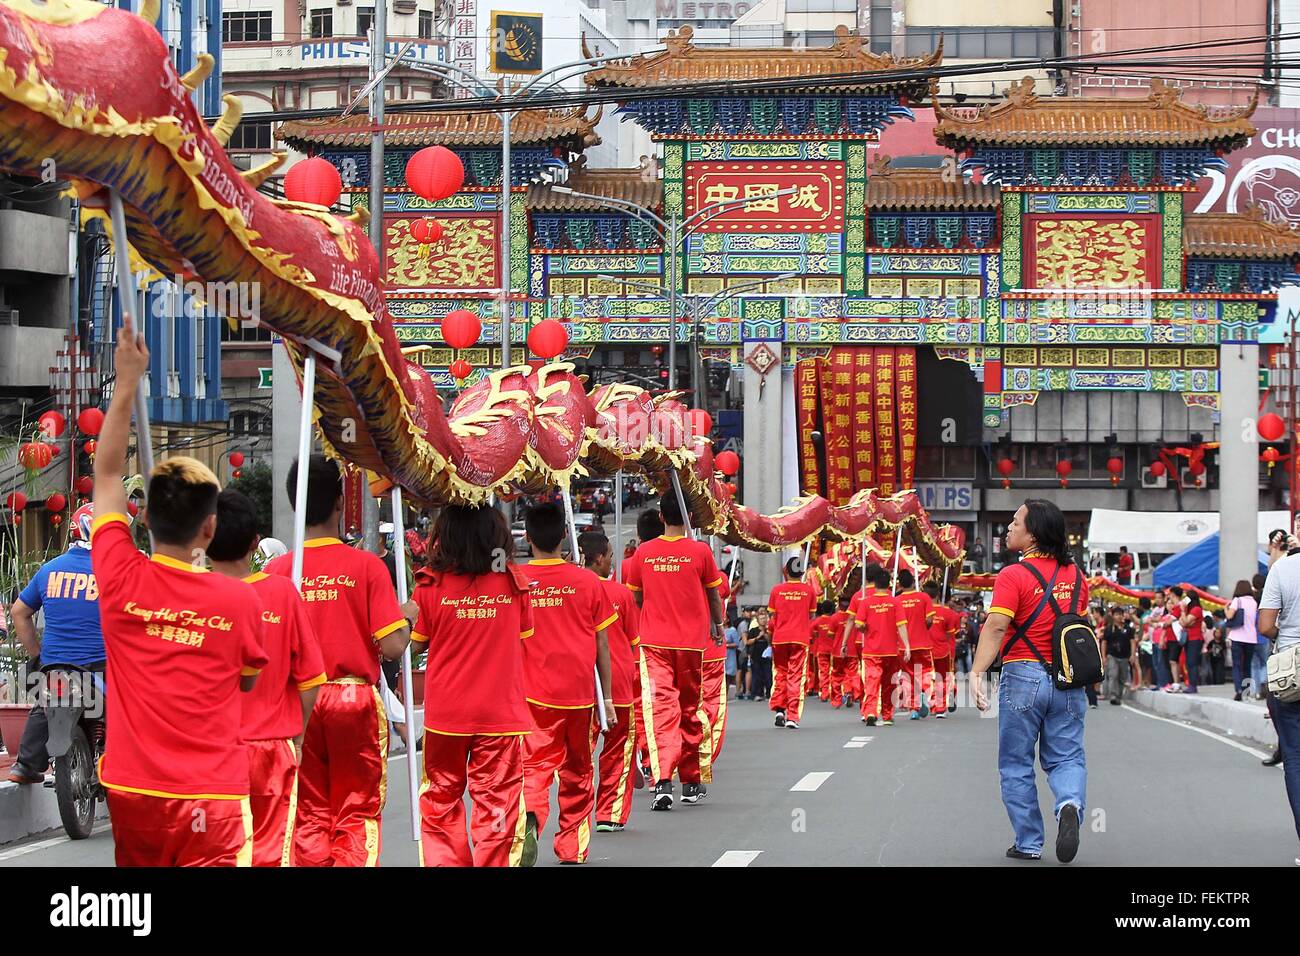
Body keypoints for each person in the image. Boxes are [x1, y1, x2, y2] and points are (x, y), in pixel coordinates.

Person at [91, 327, 269, 866]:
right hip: (211, 795)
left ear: (142, 517)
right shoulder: (240, 602)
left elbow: (105, 477)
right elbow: (248, 679)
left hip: (133, 790)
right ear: (210, 529)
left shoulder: (120, 576)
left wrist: (126, 384)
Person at [264, 456, 416, 867]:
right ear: (340, 503)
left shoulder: (278, 572)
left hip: (299, 704)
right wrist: (407, 615)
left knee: (308, 814)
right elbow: (392, 646)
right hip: (353, 701)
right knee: (356, 811)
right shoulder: (365, 567)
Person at [408, 504, 532, 866]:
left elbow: (413, 644)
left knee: (441, 802)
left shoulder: (430, 585)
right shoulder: (513, 583)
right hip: (499, 715)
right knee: (497, 803)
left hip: (446, 715)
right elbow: (523, 636)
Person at [208, 490, 326, 867]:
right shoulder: (281, 593)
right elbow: (311, 679)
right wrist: (301, 734)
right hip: (272, 750)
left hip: (210, 753)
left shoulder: (189, 597)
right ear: (255, 543)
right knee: (271, 852)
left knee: (217, 851)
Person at [970, 499, 1089, 864]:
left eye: (1015, 522)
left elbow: (996, 625)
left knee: (1016, 763)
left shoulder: (1012, 576)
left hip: (1023, 674)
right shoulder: (1076, 576)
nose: (1008, 527)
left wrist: (976, 672)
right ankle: (1069, 804)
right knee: (1067, 755)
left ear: (1033, 533)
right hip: (1068, 678)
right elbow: (1079, 627)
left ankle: (1029, 842)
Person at [519, 504, 616, 865]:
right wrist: (606, 698)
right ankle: (571, 848)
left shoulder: (516, 580)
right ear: (564, 535)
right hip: (577, 695)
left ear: (527, 537)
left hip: (530, 695)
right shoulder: (590, 581)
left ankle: (529, 815)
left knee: (534, 766)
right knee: (577, 772)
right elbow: (602, 644)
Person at [624, 493, 724, 811]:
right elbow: (713, 596)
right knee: (688, 710)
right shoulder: (701, 551)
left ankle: (663, 779)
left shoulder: (643, 553)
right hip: (692, 645)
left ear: (662, 517)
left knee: (661, 712)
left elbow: (636, 599)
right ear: (690, 518)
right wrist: (718, 625)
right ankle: (690, 780)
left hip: (654, 643)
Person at [6, 504, 109, 785]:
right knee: (131, 706)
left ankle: (25, 765)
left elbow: (19, 613)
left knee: (44, 704)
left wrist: (37, 655)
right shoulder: (113, 572)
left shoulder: (49, 570)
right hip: (101, 667)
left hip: (56, 665)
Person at [579, 531, 639, 834]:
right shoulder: (621, 595)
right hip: (617, 685)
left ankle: (577, 817)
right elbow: (633, 643)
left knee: (579, 757)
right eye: (611, 557)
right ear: (599, 558)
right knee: (618, 750)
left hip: (579, 688)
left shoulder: (570, 591)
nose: (612, 562)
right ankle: (609, 813)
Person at [1258, 534, 1300, 862]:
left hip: (1292, 670)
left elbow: (1265, 625)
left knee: (1295, 757)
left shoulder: (1283, 569)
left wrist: (1284, 635)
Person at [849, 565, 910, 727]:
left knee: (871, 682)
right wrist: (907, 646)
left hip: (871, 651)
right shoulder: (895, 602)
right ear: (889, 584)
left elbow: (858, 625)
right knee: (889, 684)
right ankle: (887, 715)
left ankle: (870, 712)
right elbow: (901, 626)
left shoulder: (866, 602)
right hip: (891, 650)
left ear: (874, 584)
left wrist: (866, 628)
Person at [765, 557, 818, 730]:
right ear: (801, 572)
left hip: (780, 638)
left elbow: (773, 617)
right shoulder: (809, 591)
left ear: (785, 571)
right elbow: (811, 616)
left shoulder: (776, 590)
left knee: (780, 673)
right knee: (796, 676)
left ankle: (779, 709)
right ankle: (792, 716)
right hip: (800, 639)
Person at [631, 508, 664, 781]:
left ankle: (647, 758)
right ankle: (656, 762)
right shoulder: (696, 553)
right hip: (670, 645)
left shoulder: (632, 562)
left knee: (645, 707)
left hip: (638, 645)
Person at [895, 568, 935, 720]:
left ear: (899, 584)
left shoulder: (896, 601)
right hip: (922, 643)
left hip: (903, 646)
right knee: (924, 672)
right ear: (913, 582)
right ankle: (925, 693)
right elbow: (930, 620)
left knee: (908, 676)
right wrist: (923, 628)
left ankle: (913, 707)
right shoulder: (924, 597)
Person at [924, 583, 959, 718]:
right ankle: (940, 706)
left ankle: (932, 704)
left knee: (928, 678)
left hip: (926, 650)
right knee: (942, 679)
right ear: (938, 595)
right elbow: (951, 635)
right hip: (944, 651)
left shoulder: (922, 613)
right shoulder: (950, 614)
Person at [1226, 579, 1265, 701]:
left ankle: (1238, 690)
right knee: (1247, 666)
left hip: (1237, 636)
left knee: (1237, 665)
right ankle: (1246, 691)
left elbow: (1229, 616)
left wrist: (1225, 609)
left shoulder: (1237, 600)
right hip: (1251, 638)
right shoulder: (1254, 602)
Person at [1101, 606, 1136, 705]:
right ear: (1113, 616)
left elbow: (1132, 642)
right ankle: (1113, 695)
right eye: (1117, 614)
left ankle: (1119, 696)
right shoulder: (1109, 629)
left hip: (1124, 656)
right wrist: (1104, 656)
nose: (1119, 616)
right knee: (1113, 674)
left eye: (1121, 614)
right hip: (1112, 655)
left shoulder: (1128, 629)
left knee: (1122, 677)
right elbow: (1104, 643)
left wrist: (1133, 654)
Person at [1178, 591, 1205, 694]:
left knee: (1192, 663)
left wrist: (1183, 612)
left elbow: (1185, 621)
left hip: (1195, 638)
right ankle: (1191, 684)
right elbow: (1182, 622)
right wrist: (1186, 621)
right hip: (1189, 639)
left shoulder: (1196, 609)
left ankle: (1193, 685)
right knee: (1189, 663)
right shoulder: (1190, 611)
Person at [811, 601, 836, 702]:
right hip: (833, 650)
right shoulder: (834, 620)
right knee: (834, 672)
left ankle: (824, 694)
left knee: (823, 672)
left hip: (821, 650)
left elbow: (815, 635)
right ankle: (834, 693)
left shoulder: (817, 621)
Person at [745, 609, 773, 701]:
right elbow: (748, 642)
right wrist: (757, 637)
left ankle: (769, 693)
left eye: (765, 618)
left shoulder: (769, 631)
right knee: (757, 676)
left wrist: (766, 636)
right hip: (756, 655)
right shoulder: (753, 630)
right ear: (757, 620)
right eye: (761, 619)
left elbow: (771, 643)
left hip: (767, 656)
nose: (763, 620)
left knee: (768, 675)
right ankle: (757, 694)